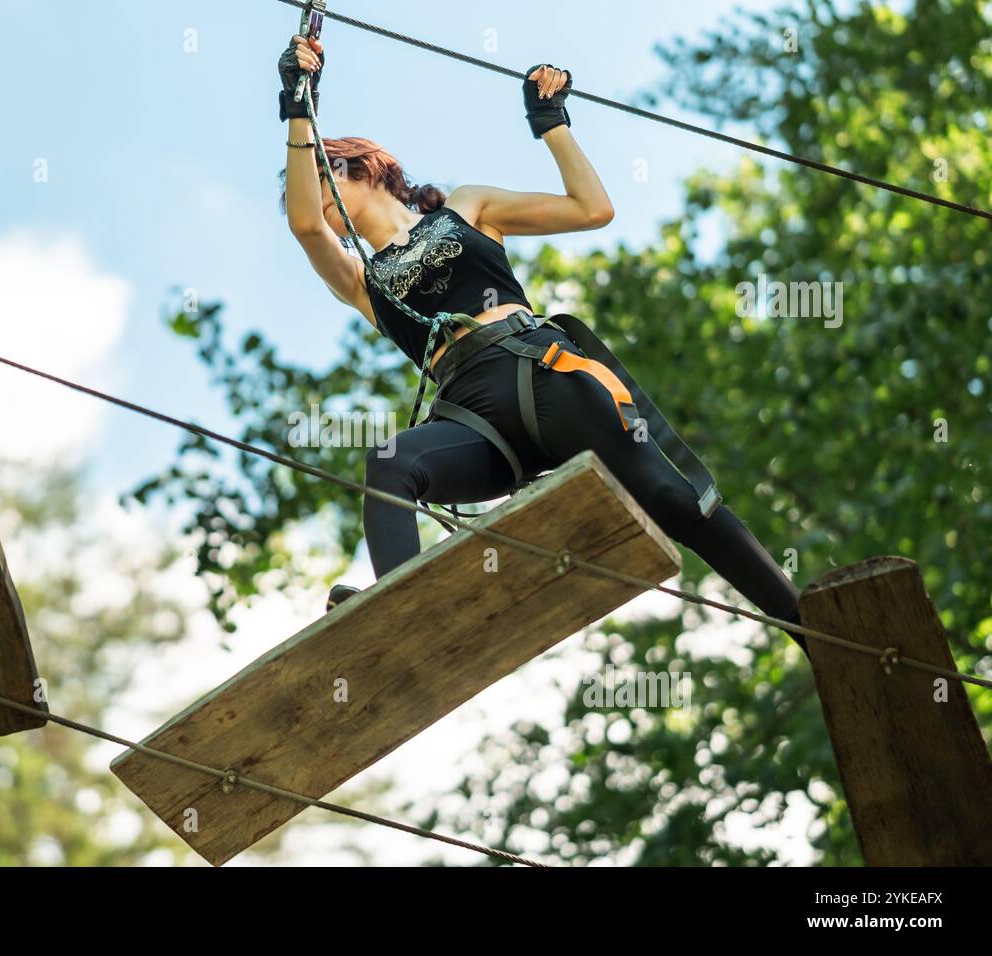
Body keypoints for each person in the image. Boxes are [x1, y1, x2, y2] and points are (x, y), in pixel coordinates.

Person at [276, 35, 804, 648]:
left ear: (359, 167)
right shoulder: (361, 282)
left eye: (317, 177)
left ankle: (808, 627)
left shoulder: (465, 207)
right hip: (475, 421)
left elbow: (592, 209)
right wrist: (294, 102)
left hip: (544, 374)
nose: (308, 196)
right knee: (391, 464)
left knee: (675, 503)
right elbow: (306, 224)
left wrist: (550, 122)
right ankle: (405, 606)